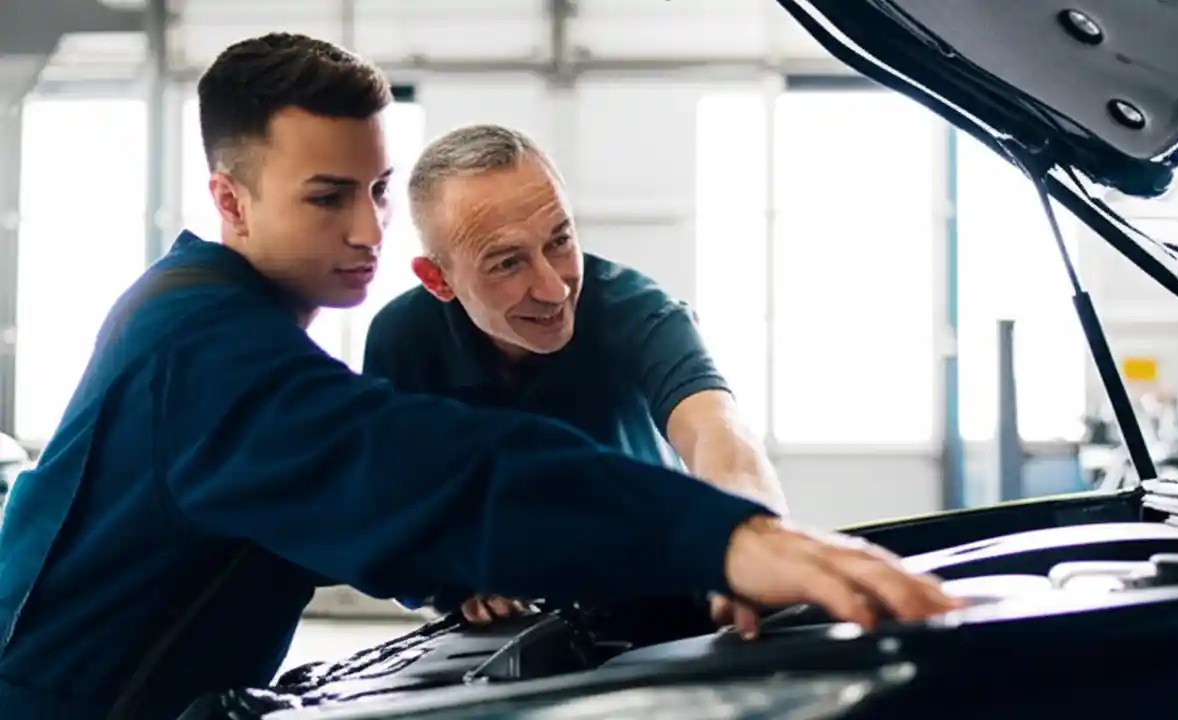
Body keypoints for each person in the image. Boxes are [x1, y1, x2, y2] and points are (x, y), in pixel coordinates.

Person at [0, 33, 956, 720]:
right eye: (328, 198)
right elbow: (413, 469)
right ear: (230, 201)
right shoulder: (199, 345)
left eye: (376, 191)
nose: (369, 231)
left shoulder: (225, 318)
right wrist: (714, 539)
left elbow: (361, 518)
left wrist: (739, 519)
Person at [362, 124, 786, 633]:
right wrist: (455, 580)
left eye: (560, 240)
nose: (553, 287)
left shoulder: (636, 310)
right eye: (507, 263)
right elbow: (394, 508)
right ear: (439, 279)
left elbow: (715, 429)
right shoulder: (402, 341)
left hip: (660, 594)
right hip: (504, 625)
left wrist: (747, 534)